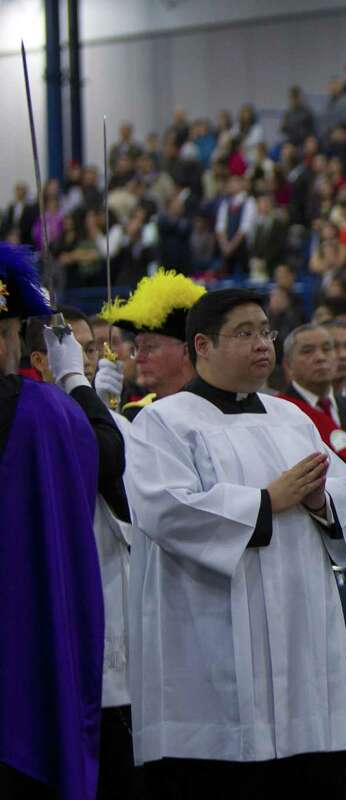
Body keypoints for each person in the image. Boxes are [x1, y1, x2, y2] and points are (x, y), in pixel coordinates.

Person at [122, 289, 346, 798]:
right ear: (203, 345)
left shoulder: (291, 417)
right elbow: (164, 509)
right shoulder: (165, 421)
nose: (262, 344)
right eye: (244, 333)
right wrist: (263, 502)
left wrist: (322, 501)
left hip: (300, 638)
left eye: (265, 331)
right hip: (210, 637)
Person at [0, 244, 105, 800]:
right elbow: (97, 475)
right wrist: (81, 390)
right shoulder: (50, 412)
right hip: (26, 646)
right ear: (11, 337)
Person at [24, 308, 138, 798]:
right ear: (42, 359)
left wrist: (99, 403)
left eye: (93, 350)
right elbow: (104, 459)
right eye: (82, 350)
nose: (92, 360)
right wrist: (82, 390)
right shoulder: (42, 412)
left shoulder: (90, 408)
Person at [277, 322, 346, 557]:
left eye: (327, 348)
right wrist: (343, 530)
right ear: (288, 366)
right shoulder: (279, 413)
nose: (321, 357)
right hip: (312, 545)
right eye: (308, 351)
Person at [100, 270, 206, 419]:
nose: (138, 359)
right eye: (137, 348)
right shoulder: (135, 415)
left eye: (150, 347)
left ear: (187, 351)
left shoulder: (217, 409)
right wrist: (108, 413)